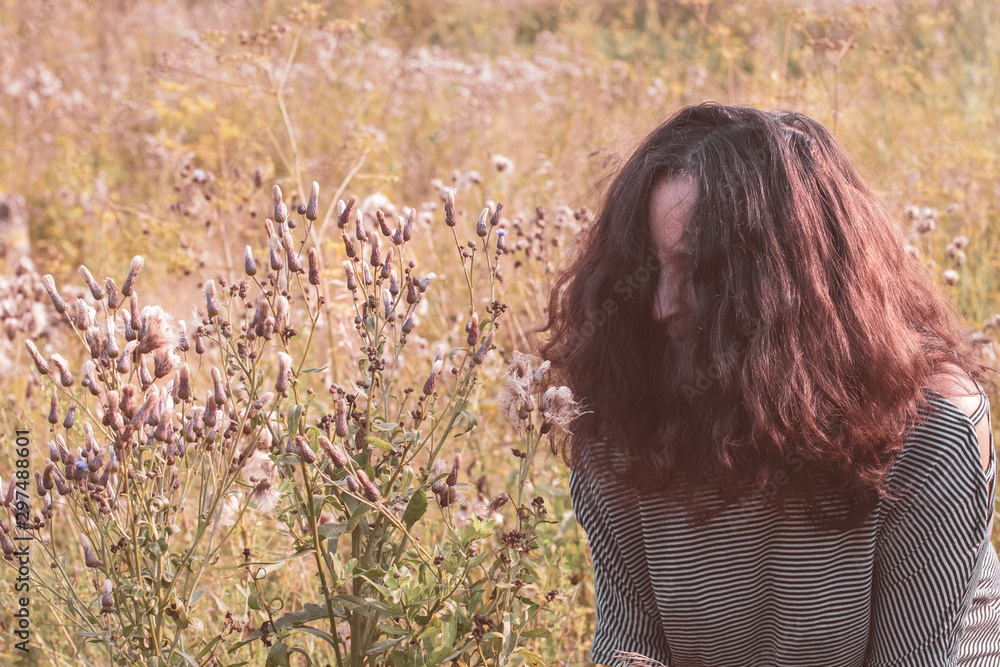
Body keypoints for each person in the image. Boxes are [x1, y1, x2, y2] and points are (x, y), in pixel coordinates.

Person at [539, 104, 1000, 666]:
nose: (661, 305)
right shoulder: (628, 412)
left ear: (786, 292)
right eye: (651, 267)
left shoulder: (929, 430)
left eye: (697, 273)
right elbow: (628, 638)